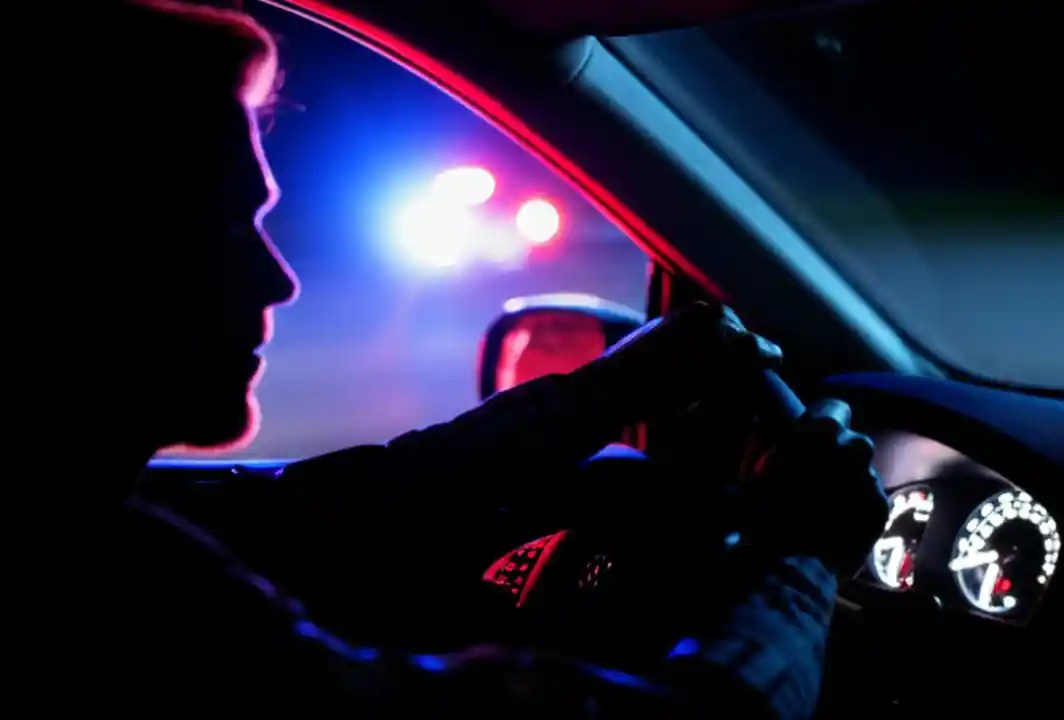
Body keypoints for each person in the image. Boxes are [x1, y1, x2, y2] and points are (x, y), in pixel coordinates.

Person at [72, 1, 890, 716]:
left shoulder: (140, 534)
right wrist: (802, 560)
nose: (277, 279)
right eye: (219, 227)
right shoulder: (142, 596)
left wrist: (607, 390)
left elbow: (312, 517)